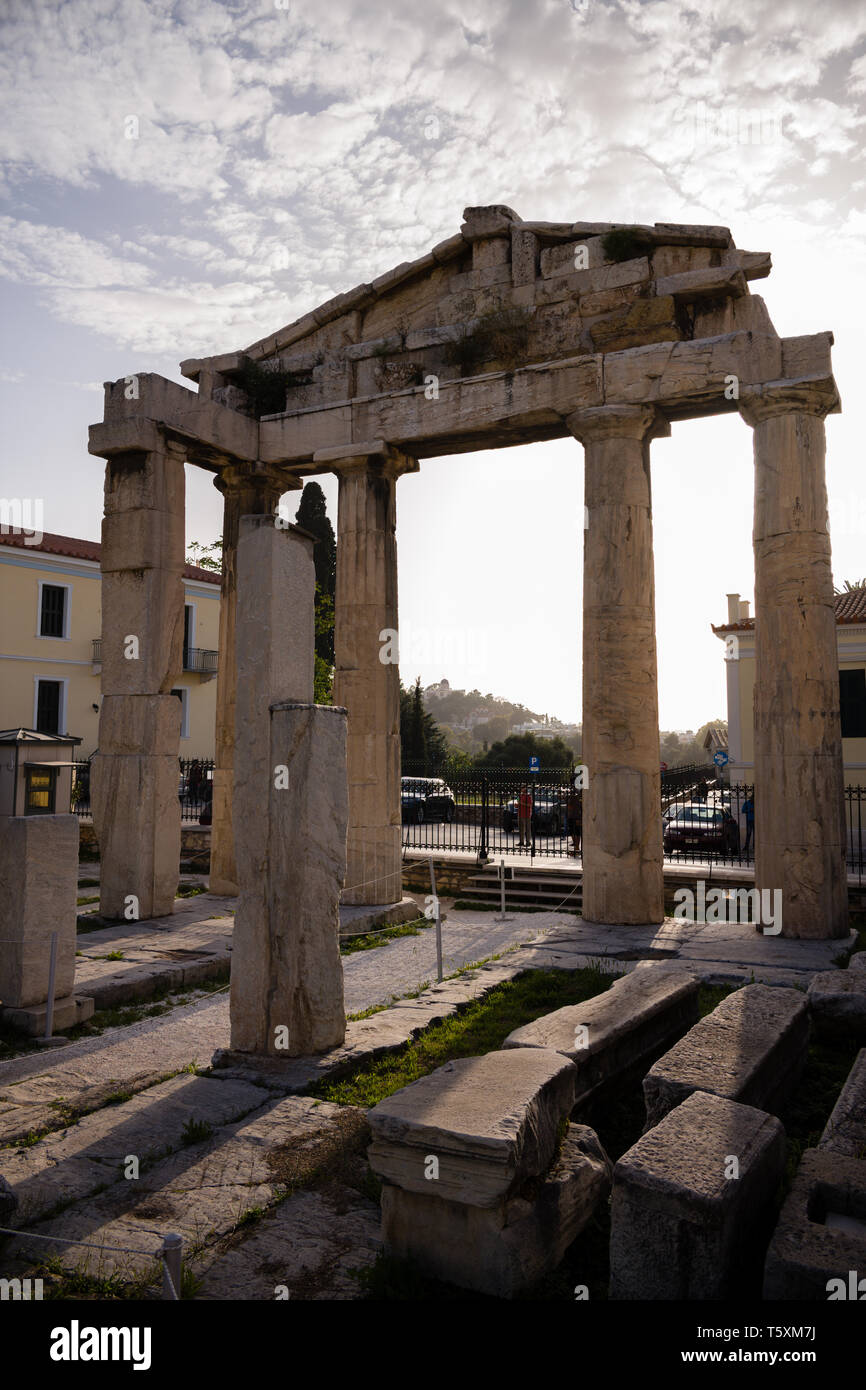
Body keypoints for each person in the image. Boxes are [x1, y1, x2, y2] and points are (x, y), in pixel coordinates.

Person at [566, 787, 582, 857]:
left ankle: (576, 848)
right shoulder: (579, 793)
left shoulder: (572, 794)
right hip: (578, 816)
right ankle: (577, 848)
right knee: (578, 832)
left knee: (573, 832)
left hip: (572, 816)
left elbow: (569, 806)